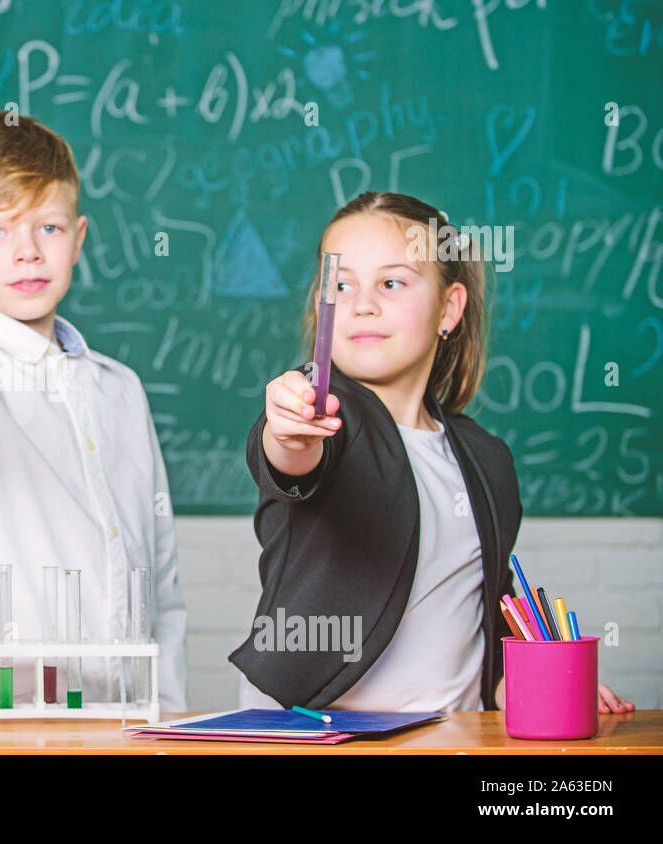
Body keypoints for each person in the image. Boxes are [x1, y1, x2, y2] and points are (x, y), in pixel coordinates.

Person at [230, 191, 634, 715]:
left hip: (454, 738)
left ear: (449, 308)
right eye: (342, 284)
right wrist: (287, 433)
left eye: (392, 282)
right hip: (312, 734)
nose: (363, 303)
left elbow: (479, 611)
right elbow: (289, 461)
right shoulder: (323, 417)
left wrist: (525, 683)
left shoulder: (486, 459)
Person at [0, 113, 187, 711]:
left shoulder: (120, 388)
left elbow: (161, 577)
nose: (26, 252)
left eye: (47, 227)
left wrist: (171, 715)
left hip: (128, 713)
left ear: (78, 238)